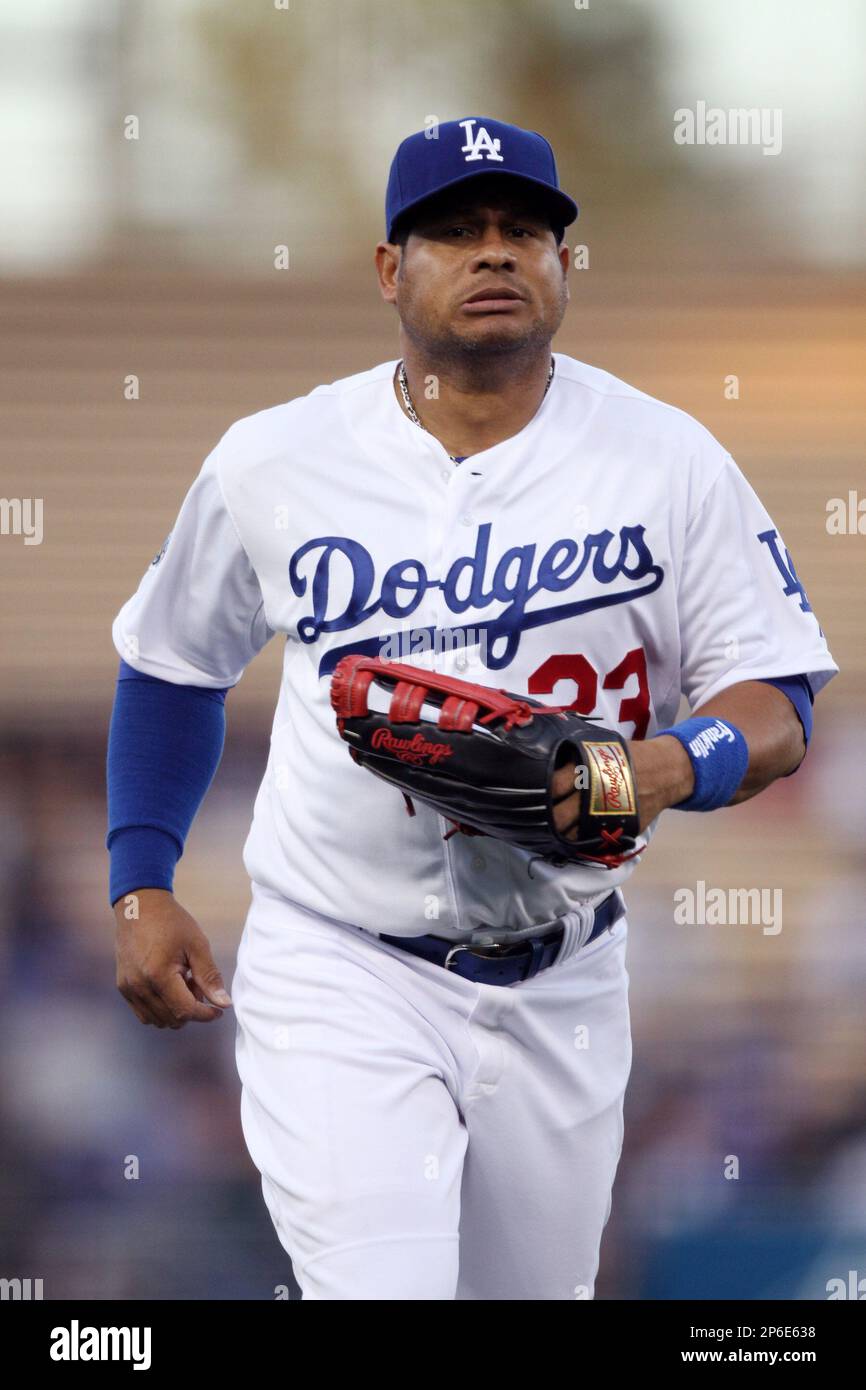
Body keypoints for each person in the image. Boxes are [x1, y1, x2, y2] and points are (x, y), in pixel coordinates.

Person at [108, 117, 837, 1300]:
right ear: (390, 270)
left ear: (562, 266)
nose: (493, 252)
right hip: (342, 958)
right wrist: (141, 881)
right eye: (453, 231)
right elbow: (172, 663)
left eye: (523, 231)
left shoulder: (666, 459)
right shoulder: (274, 459)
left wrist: (657, 767)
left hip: (564, 976)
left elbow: (777, 698)